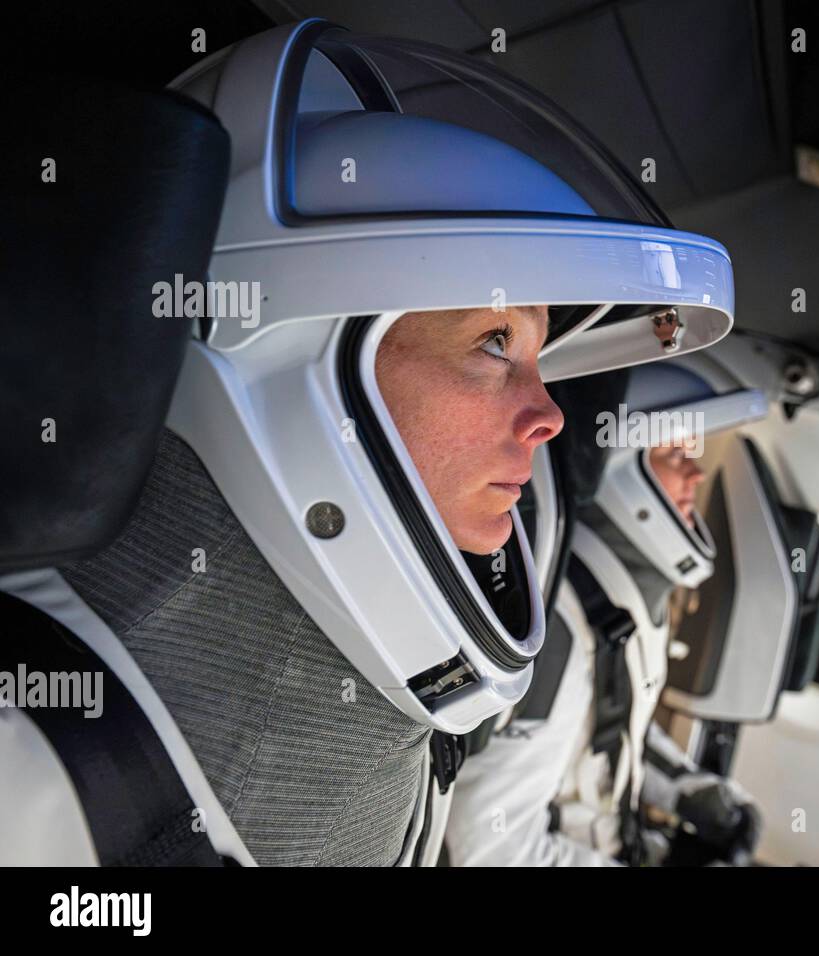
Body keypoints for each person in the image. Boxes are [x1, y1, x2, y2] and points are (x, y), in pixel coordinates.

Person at [0, 20, 736, 866]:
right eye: (496, 342)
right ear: (289, 347)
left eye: (539, 358)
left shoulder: (379, 701)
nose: (551, 417)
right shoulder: (32, 756)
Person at [443, 362, 769, 866]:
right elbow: (491, 849)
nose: (697, 473)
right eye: (675, 452)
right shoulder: (564, 629)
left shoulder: (607, 596)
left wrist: (689, 790)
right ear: (621, 464)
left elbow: (611, 720)